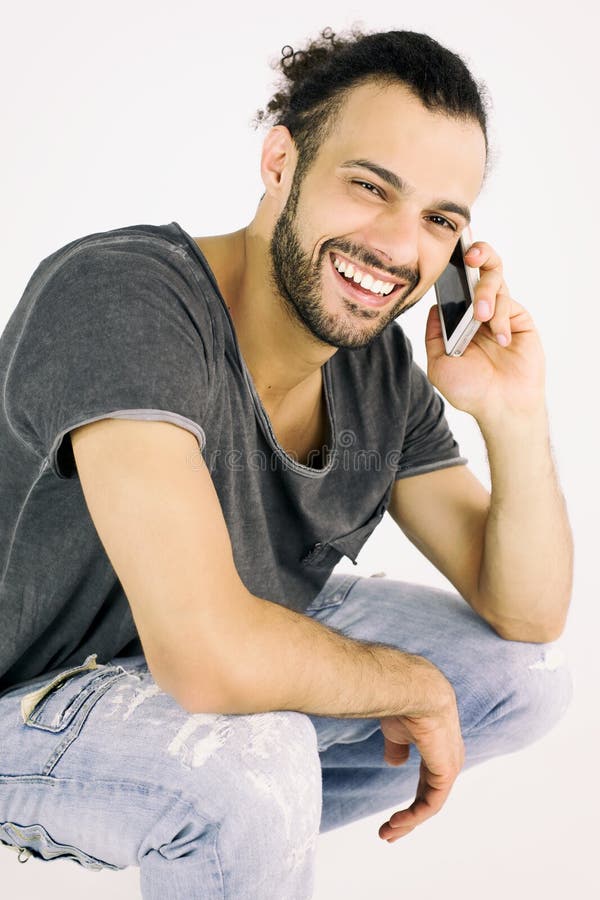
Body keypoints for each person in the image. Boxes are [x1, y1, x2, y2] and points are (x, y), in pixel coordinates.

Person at [0, 25, 573, 899]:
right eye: (370, 186)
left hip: (181, 654)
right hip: (26, 690)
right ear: (280, 162)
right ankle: (233, 818)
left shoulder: (377, 369)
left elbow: (527, 614)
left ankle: (236, 839)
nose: (397, 246)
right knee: (249, 762)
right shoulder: (123, 295)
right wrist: (404, 683)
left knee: (523, 681)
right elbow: (205, 656)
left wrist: (514, 412)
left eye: (438, 220)